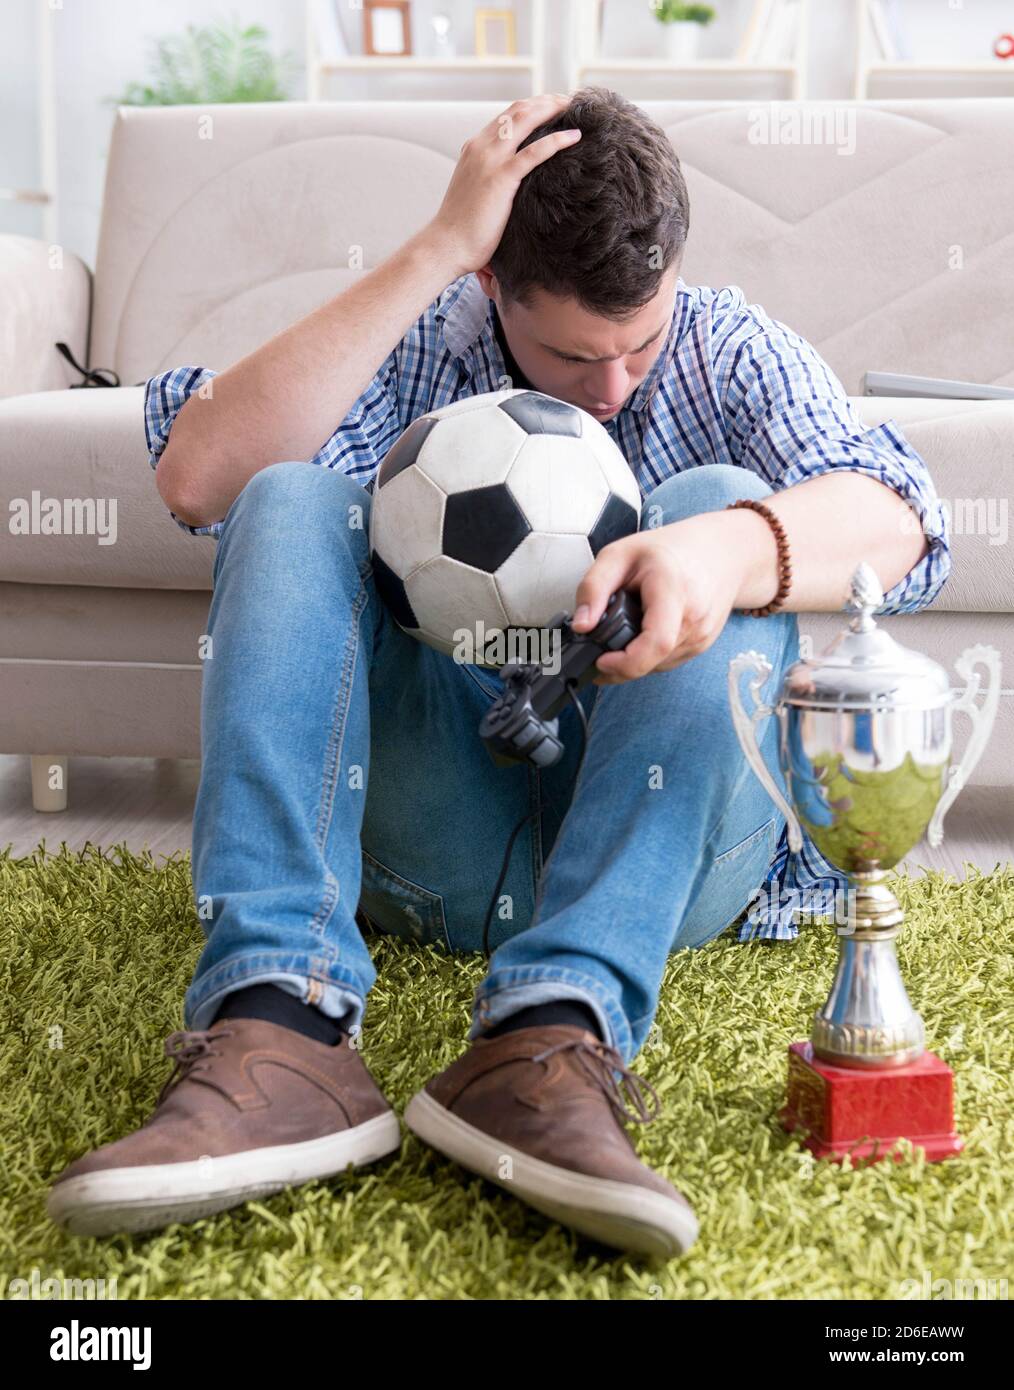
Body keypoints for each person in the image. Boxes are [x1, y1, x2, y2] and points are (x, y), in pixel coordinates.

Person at [48, 88, 950, 1258]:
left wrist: (720, 550)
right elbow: (197, 480)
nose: (617, 385)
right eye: (576, 355)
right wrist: (434, 249)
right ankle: (280, 1030)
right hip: (437, 833)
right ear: (494, 290)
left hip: (664, 856)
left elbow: (909, 520)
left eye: (640, 343)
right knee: (288, 497)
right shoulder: (436, 327)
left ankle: (556, 1032)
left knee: (724, 503)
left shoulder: (729, 343)